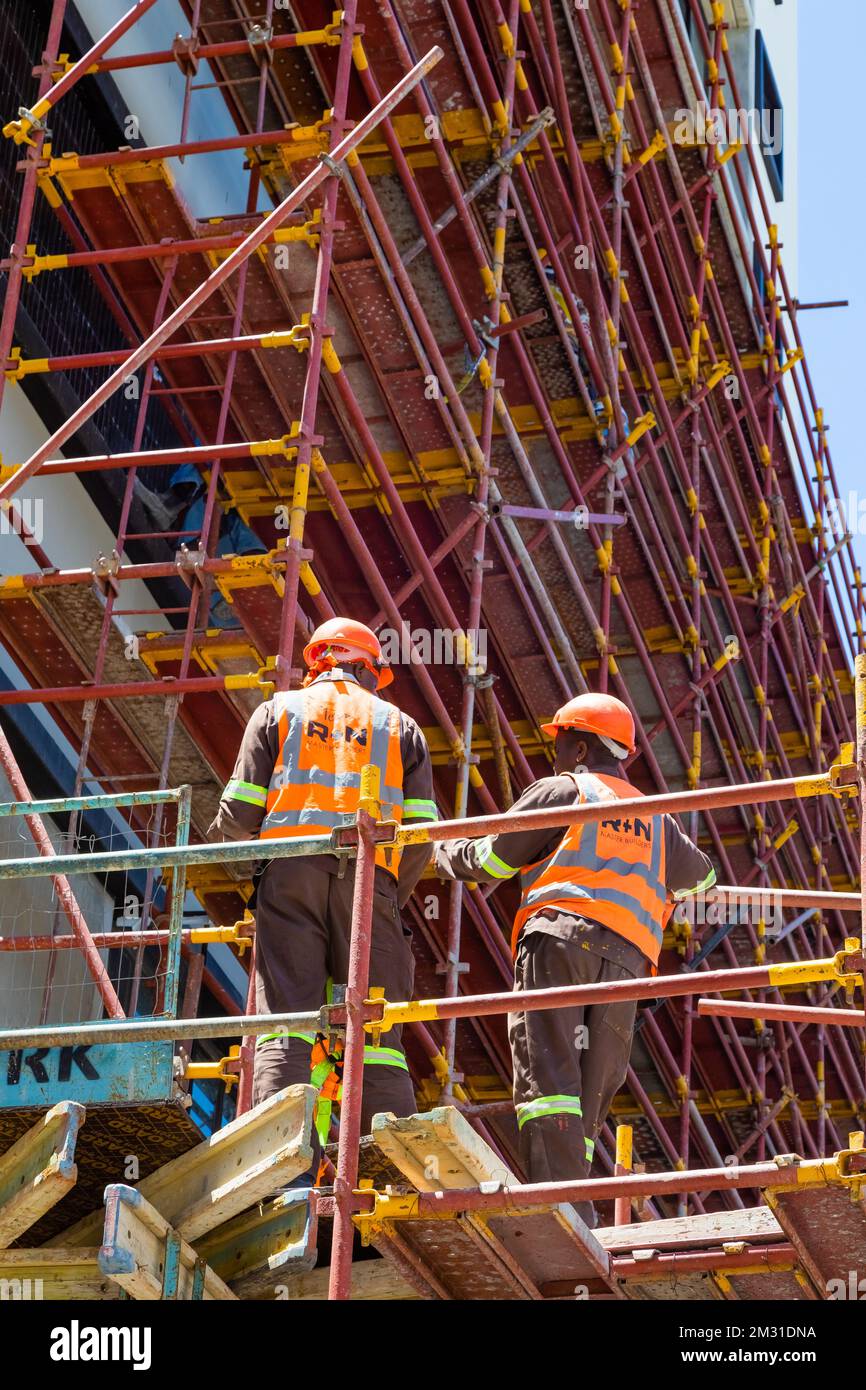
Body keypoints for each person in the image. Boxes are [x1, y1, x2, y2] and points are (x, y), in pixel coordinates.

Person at [433, 692, 714, 1219]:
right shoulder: (655, 817)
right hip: (627, 966)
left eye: (560, 744)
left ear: (582, 746)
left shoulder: (566, 790)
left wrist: (434, 849)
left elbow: (491, 859)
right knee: (589, 1093)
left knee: (547, 1075)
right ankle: (575, 1209)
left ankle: (556, 1211)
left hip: (561, 941)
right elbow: (704, 876)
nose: (554, 755)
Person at [208, 617, 436, 1163]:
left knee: (286, 1022)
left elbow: (238, 817)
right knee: (378, 1034)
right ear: (370, 669)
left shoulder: (277, 711)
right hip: (370, 877)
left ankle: (280, 1169)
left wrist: (236, 854)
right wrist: (383, 894)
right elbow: (423, 839)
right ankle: (387, 1170)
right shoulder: (400, 726)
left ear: (317, 661)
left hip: (290, 875)